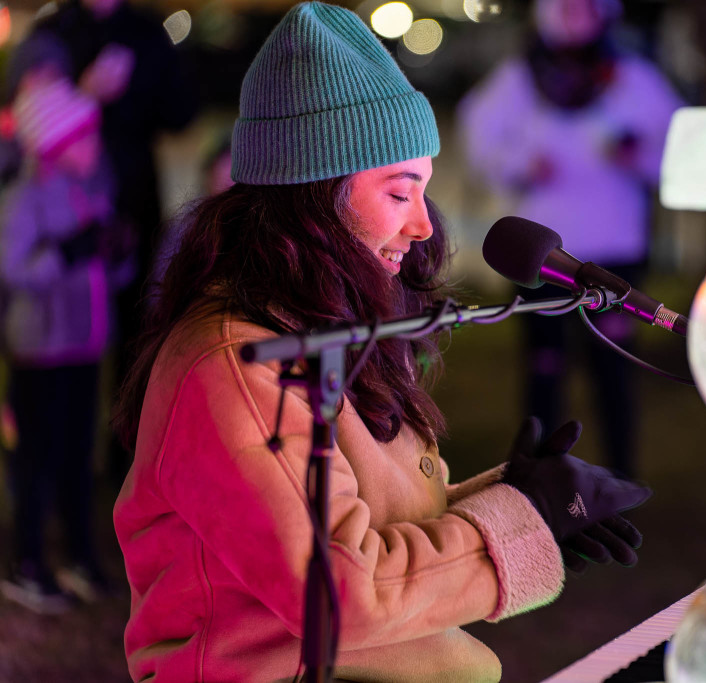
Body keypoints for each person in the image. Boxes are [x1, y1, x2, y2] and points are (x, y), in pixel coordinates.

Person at [111, 4, 651, 681]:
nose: (425, 225)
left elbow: (363, 526)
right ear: (313, 195)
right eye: (401, 193)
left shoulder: (317, 329)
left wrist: (521, 501)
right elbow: (340, 594)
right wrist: (520, 518)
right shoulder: (239, 365)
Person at [458, 0, 683, 479]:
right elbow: (479, 134)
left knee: (614, 368)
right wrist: (519, 165)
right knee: (544, 370)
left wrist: (637, 155)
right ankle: (537, 479)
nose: (572, 16)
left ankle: (623, 478)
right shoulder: (520, 79)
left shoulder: (631, 78)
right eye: (562, 7)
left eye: (583, 8)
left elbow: (675, 142)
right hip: (544, 253)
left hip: (614, 246)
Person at [8, 0, 198, 481]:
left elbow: (180, 113)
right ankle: (42, 478)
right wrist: (84, 93)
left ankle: (121, 465)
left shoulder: (146, 31)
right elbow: (26, 106)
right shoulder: (52, 31)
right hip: (59, 204)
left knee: (132, 337)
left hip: (128, 198)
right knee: (55, 377)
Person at [0, 75, 115, 612]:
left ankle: (78, 556)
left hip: (82, 345)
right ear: (53, 144)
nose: (94, 145)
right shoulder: (22, 198)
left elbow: (95, 266)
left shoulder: (82, 193)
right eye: (84, 137)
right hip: (39, 351)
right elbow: (13, 270)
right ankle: (27, 561)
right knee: (37, 459)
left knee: (75, 455)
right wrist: (65, 253)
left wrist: (115, 255)